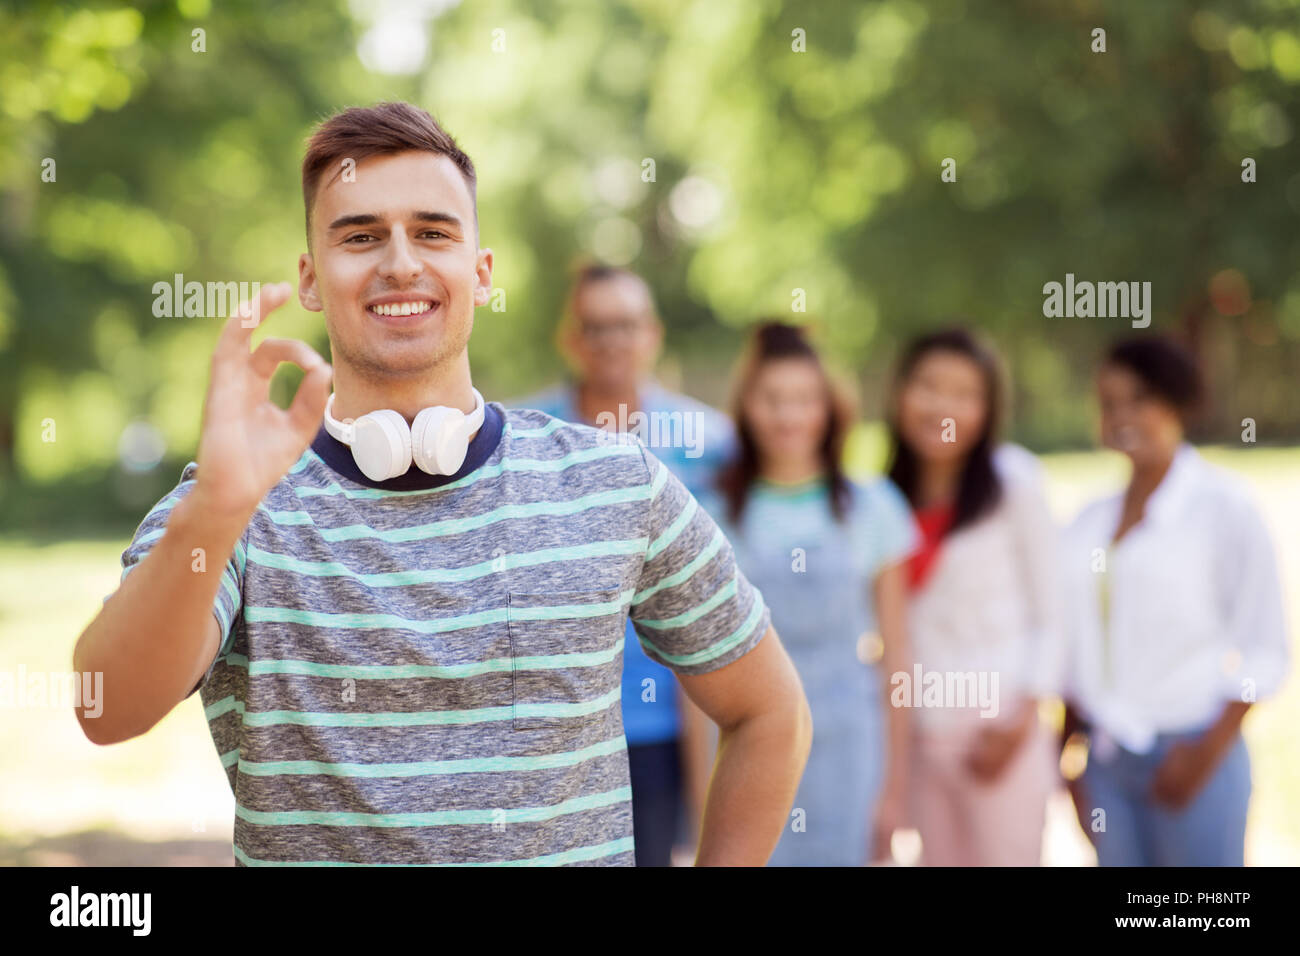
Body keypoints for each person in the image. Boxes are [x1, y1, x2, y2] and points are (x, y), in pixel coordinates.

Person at [71, 101, 812, 866]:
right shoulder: (230, 504)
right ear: (311, 278)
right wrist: (217, 510)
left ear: (481, 272)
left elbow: (769, 712)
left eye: (432, 232)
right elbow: (106, 708)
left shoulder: (617, 484)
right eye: (360, 236)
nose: (399, 262)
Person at [516, 263, 737, 866]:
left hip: (663, 719)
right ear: (570, 338)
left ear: (653, 334)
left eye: (626, 324)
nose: (611, 340)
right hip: (550, 721)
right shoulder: (522, 438)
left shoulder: (710, 441)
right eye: (595, 326)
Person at [1061, 337, 1290, 866]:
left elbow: (1266, 647)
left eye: (1138, 399)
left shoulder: (1223, 508)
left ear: (1175, 401)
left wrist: (1205, 754)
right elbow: (1074, 645)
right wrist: (1070, 758)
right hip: (1107, 763)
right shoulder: (1089, 521)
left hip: (1191, 753)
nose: (1120, 416)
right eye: (1107, 403)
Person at [696, 322, 917, 866]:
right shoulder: (710, 515)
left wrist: (892, 794)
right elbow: (691, 677)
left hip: (850, 749)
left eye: (804, 400)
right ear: (746, 408)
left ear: (829, 409)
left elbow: (899, 660)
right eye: (772, 399)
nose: (788, 415)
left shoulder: (874, 507)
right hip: (746, 758)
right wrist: (703, 798)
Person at [885, 327, 1063, 866]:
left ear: (989, 408)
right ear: (899, 395)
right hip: (920, 741)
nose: (943, 406)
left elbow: (1055, 614)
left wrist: (1022, 718)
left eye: (965, 394)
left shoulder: (1015, 482)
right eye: (929, 387)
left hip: (999, 736)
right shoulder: (882, 496)